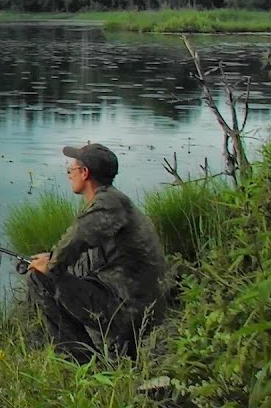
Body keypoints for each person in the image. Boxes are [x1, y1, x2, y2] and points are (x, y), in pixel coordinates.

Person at [25, 142, 168, 362]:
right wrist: (52, 257)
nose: (68, 175)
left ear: (85, 173)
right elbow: (78, 248)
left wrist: (51, 264)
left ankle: (82, 361)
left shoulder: (106, 205)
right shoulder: (116, 200)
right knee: (70, 266)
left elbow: (77, 237)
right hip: (137, 301)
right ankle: (110, 354)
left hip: (128, 310)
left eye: (70, 170)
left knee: (39, 278)